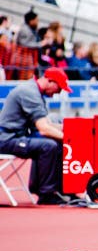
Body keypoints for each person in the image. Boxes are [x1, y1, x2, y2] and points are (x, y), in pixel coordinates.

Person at [0, 67, 72, 204]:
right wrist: (69, 139)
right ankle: (46, 193)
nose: (59, 92)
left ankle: (55, 188)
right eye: (59, 88)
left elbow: (47, 124)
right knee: (48, 145)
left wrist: (71, 129)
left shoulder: (34, 91)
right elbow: (44, 129)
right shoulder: (30, 93)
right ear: (50, 81)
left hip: (15, 137)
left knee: (53, 143)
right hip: (6, 139)